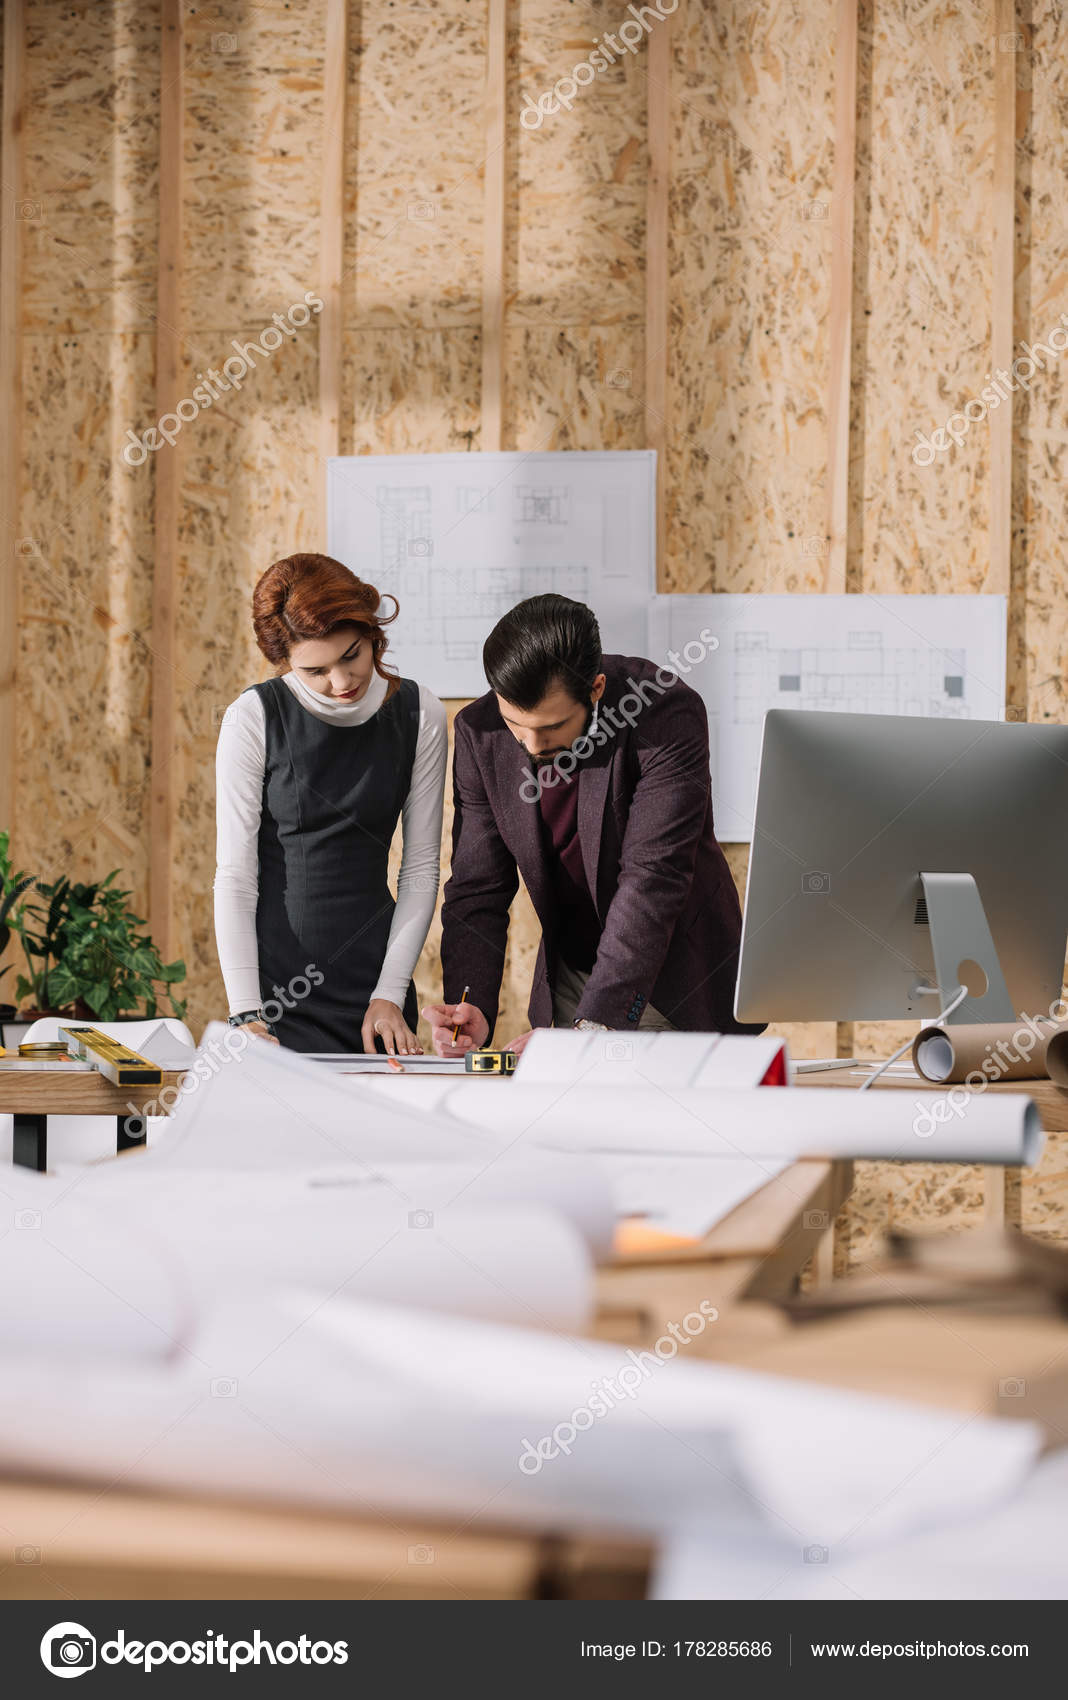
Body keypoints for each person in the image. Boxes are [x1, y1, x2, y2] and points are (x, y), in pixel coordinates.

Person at [423, 593, 761, 1057]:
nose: (530, 743)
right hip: (571, 971)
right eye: (515, 724)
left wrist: (595, 1027)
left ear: (596, 689)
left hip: (674, 975)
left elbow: (652, 879)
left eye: (552, 727)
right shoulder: (480, 732)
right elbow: (477, 886)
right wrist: (471, 1002)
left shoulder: (664, 711)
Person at [214, 553, 446, 1054]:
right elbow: (235, 874)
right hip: (275, 998)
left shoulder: (419, 712)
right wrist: (246, 1013)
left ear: (372, 634)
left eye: (352, 655)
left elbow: (421, 867)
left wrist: (389, 992)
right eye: (315, 670)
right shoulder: (253, 716)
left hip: (377, 991)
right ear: (285, 663)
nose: (341, 682)